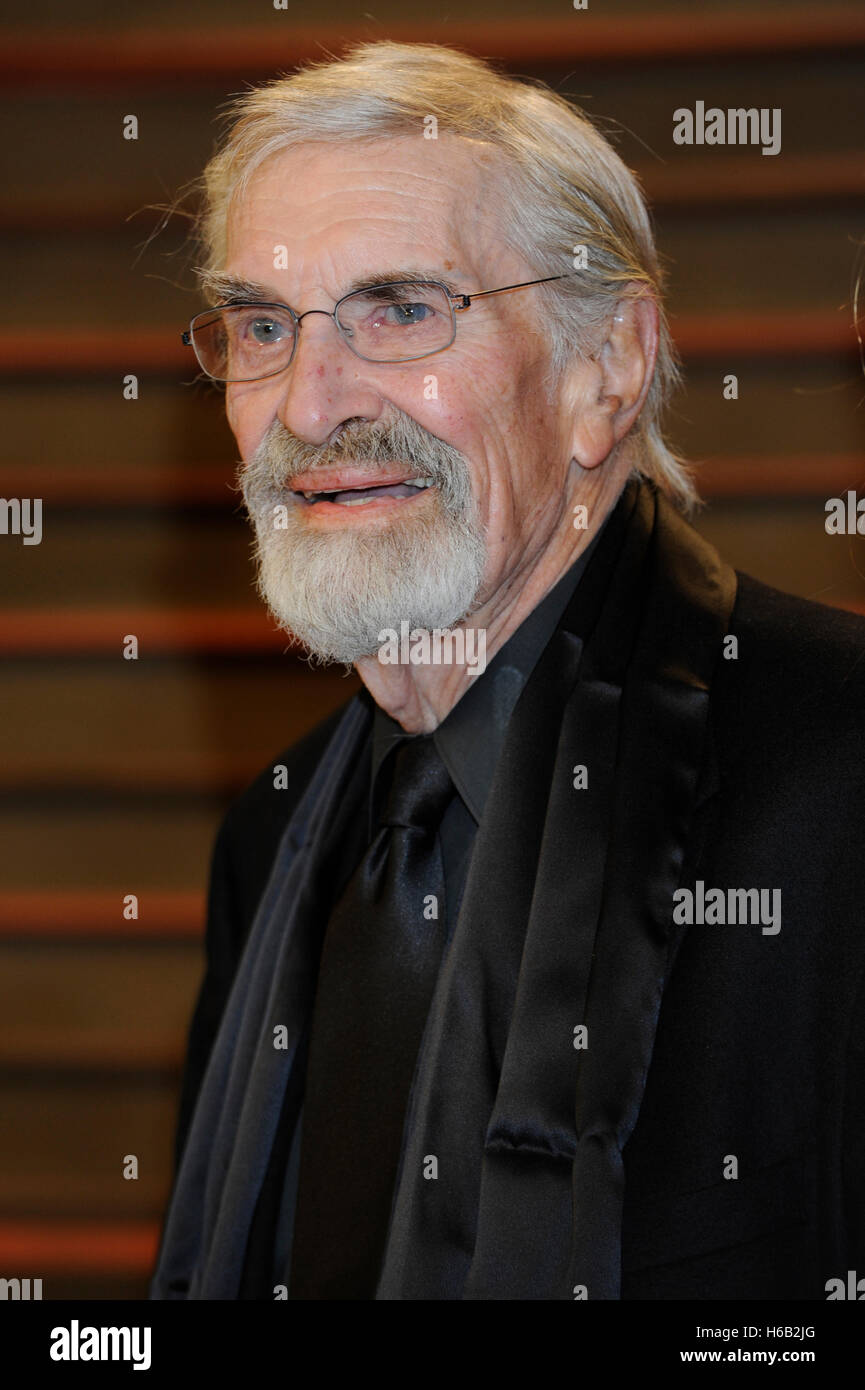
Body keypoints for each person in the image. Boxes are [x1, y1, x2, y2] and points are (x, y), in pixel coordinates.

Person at [151, 41, 865, 1301]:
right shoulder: (270, 840)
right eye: (263, 324)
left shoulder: (840, 778)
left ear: (606, 368)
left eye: (402, 309)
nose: (310, 403)